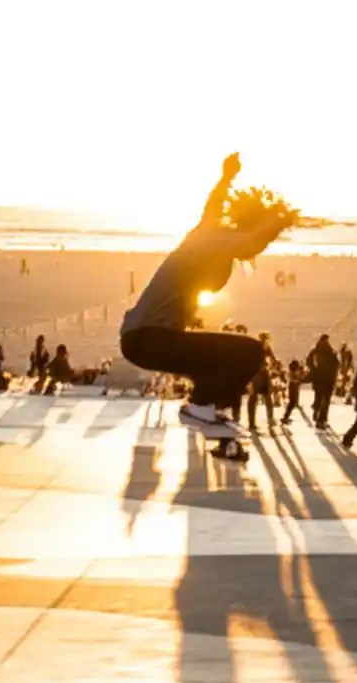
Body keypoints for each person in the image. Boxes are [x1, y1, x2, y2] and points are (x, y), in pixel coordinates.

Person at [118, 153, 292, 457]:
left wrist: (227, 178)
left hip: (148, 338)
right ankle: (200, 406)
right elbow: (250, 239)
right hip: (147, 338)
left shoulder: (209, 234)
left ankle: (208, 412)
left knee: (217, 365)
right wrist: (278, 221)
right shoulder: (214, 237)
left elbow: (222, 214)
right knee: (250, 351)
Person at [307, 334, 340, 430]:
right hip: (327, 378)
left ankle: (319, 416)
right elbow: (337, 365)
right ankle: (321, 419)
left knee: (320, 397)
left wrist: (314, 369)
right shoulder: (330, 352)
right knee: (324, 399)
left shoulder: (317, 351)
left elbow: (309, 362)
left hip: (321, 378)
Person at [280, 359, 304, 425]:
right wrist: (299, 378)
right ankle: (285, 418)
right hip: (293, 387)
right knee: (292, 403)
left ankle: (285, 417)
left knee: (292, 403)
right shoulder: (294, 372)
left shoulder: (292, 371)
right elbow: (296, 379)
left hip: (292, 387)